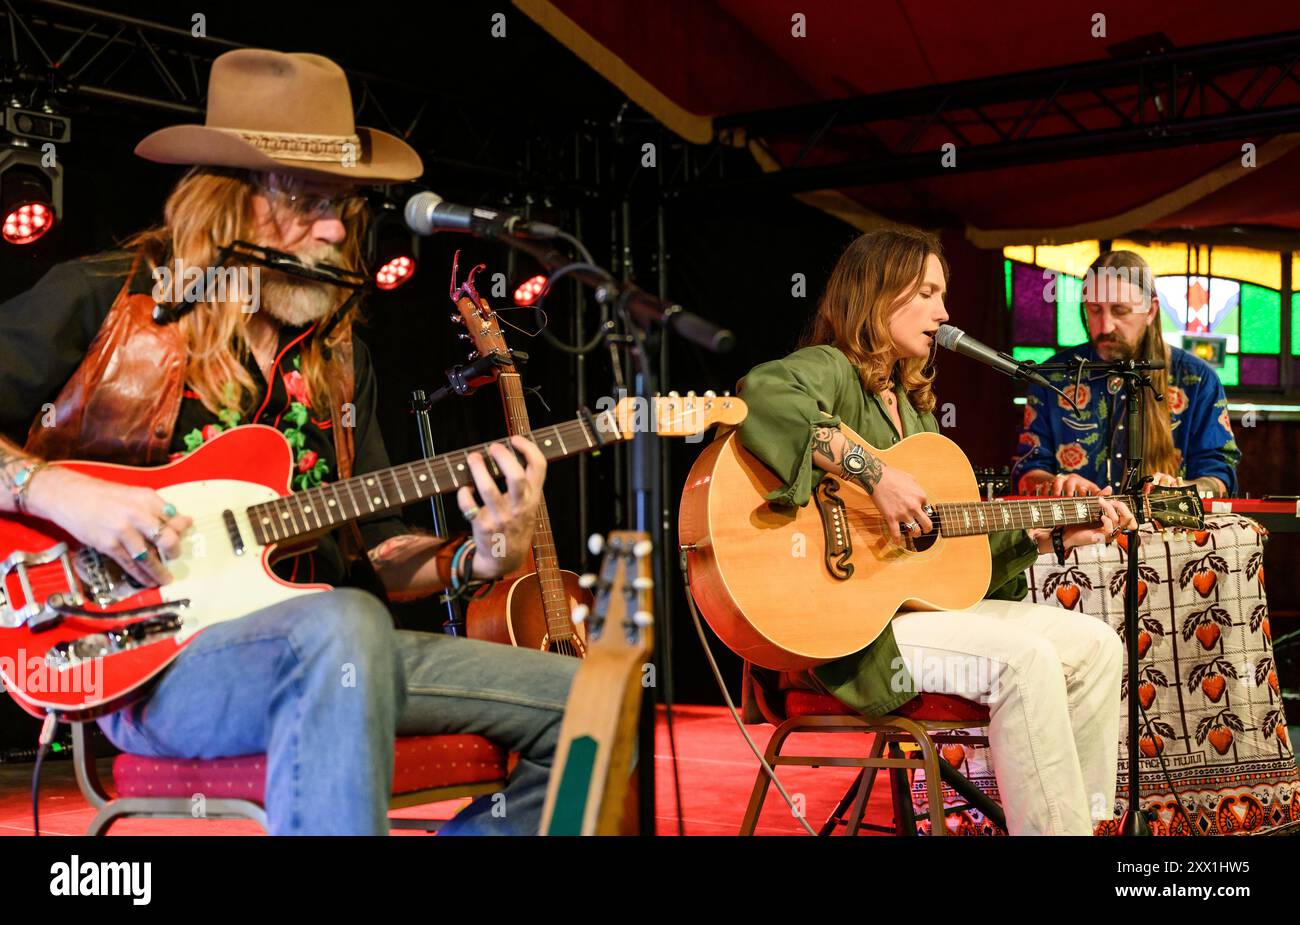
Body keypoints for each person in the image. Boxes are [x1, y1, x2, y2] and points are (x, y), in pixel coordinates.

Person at [0, 49, 577, 835]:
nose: (337, 230)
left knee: (593, 704)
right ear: (229, 204)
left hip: (339, 650)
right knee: (344, 623)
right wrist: (62, 491)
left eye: (346, 206)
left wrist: (477, 554)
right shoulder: (107, 299)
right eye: (308, 202)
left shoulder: (343, 358)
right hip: (151, 667)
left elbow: (377, 550)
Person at [738, 228, 1134, 835]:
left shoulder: (917, 408)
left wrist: (1052, 535)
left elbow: (954, 556)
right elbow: (760, 396)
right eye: (926, 292)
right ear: (878, 294)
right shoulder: (830, 368)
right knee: (1023, 662)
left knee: (1098, 649)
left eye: (943, 295)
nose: (945, 313)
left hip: (913, 614)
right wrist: (873, 475)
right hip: (855, 638)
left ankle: (1081, 828)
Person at [1013, 250, 1240, 498]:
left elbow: (1221, 479)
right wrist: (1056, 483)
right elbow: (1027, 470)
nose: (1106, 326)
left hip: (1167, 532)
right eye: (1095, 310)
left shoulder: (1196, 379)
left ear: (1151, 310)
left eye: (1120, 310)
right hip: (1075, 533)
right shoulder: (1053, 376)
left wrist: (1178, 489)